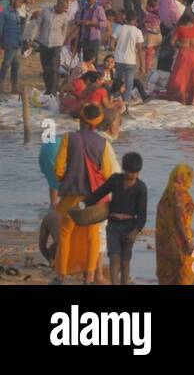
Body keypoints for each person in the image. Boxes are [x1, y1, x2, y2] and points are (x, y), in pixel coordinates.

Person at [53, 104, 118, 284]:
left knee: (65, 234)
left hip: (71, 195)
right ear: (98, 123)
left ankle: (61, 276)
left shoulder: (68, 138)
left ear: (80, 119)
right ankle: (89, 277)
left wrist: (65, 179)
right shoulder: (103, 143)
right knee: (93, 235)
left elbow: (58, 168)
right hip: (93, 198)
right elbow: (107, 173)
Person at [83, 152, 147, 285]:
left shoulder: (141, 188)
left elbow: (142, 215)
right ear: (124, 169)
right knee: (114, 258)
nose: (134, 175)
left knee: (125, 262)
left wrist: (135, 232)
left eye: (136, 172)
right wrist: (84, 202)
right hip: (113, 226)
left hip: (130, 227)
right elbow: (99, 194)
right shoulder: (114, 180)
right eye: (131, 172)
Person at [155, 164, 194, 285]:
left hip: (165, 244)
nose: (191, 181)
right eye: (189, 177)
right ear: (181, 177)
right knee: (186, 274)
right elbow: (179, 219)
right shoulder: (180, 193)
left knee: (168, 277)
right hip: (180, 243)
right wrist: (187, 242)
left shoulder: (166, 195)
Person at [165, 13, 194, 106]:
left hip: (183, 54)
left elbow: (172, 42)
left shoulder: (180, 28)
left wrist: (179, 44)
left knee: (181, 75)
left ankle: (182, 97)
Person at [36, 0, 72, 95]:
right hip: (44, 43)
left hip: (56, 44)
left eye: (66, 8)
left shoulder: (65, 17)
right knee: (46, 68)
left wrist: (60, 42)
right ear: (58, 5)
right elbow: (38, 24)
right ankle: (48, 88)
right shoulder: (46, 11)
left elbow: (64, 31)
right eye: (63, 7)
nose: (64, 10)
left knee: (54, 68)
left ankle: (54, 90)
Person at [111, 10, 147, 102]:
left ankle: (114, 100)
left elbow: (112, 44)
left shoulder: (119, 28)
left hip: (118, 59)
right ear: (135, 20)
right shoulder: (138, 31)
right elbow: (140, 50)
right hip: (130, 61)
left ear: (125, 19)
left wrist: (117, 49)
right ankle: (125, 105)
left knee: (117, 82)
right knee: (129, 84)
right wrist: (142, 66)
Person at [0, 0, 26, 94]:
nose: (20, 5)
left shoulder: (17, 13)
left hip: (17, 44)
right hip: (9, 43)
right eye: (19, 2)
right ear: (13, 0)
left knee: (16, 66)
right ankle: (1, 86)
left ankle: (14, 88)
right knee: (6, 65)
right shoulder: (4, 13)